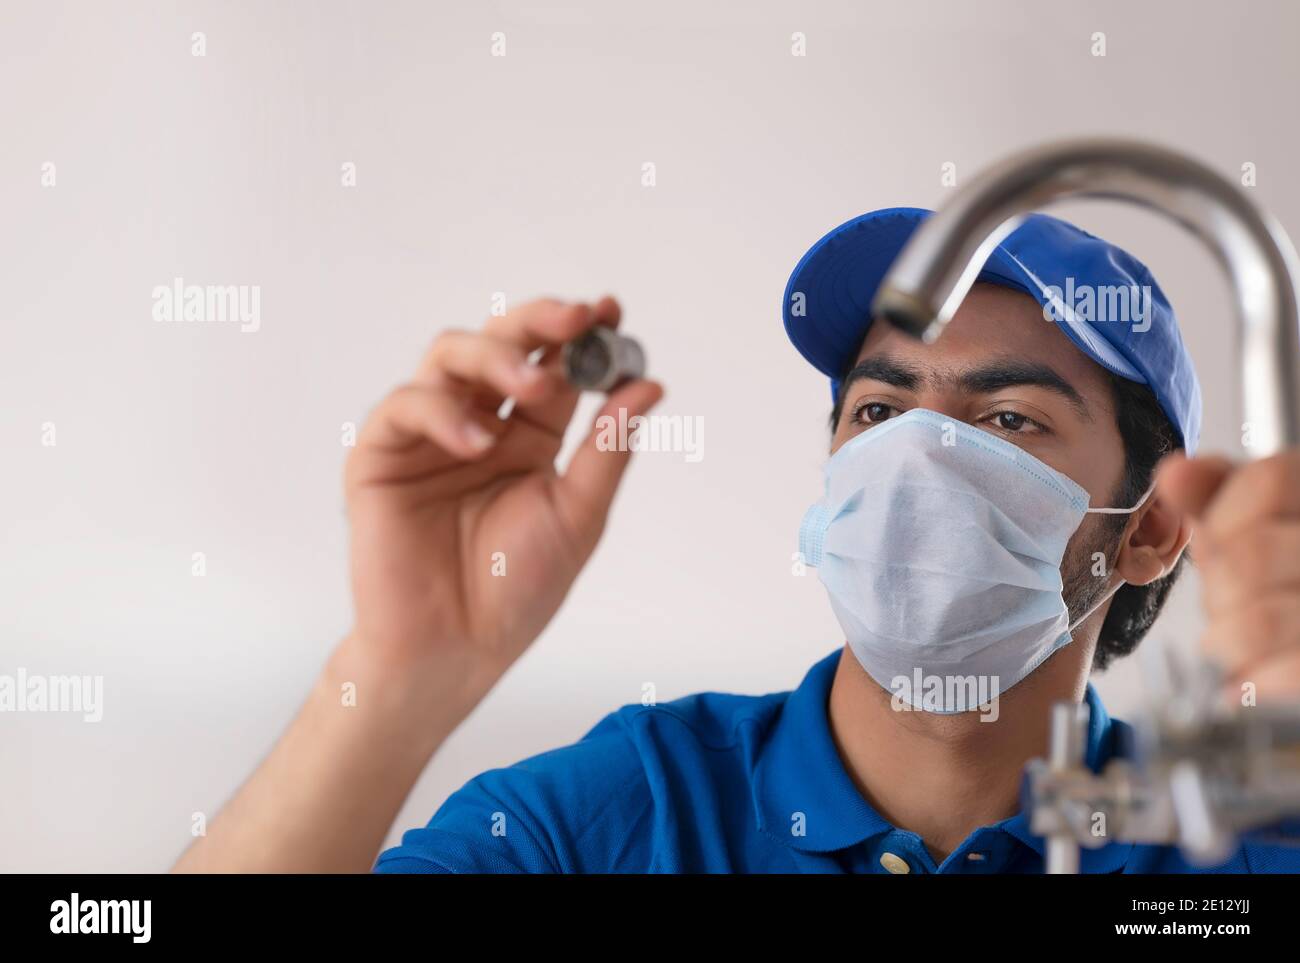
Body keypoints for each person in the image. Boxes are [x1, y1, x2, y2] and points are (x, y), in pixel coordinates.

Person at [174, 207, 1300, 874]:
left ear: (1148, 527)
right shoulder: (626, 819)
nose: (920, 463)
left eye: (1008, 420)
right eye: (878, 411)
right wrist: (397, 670)